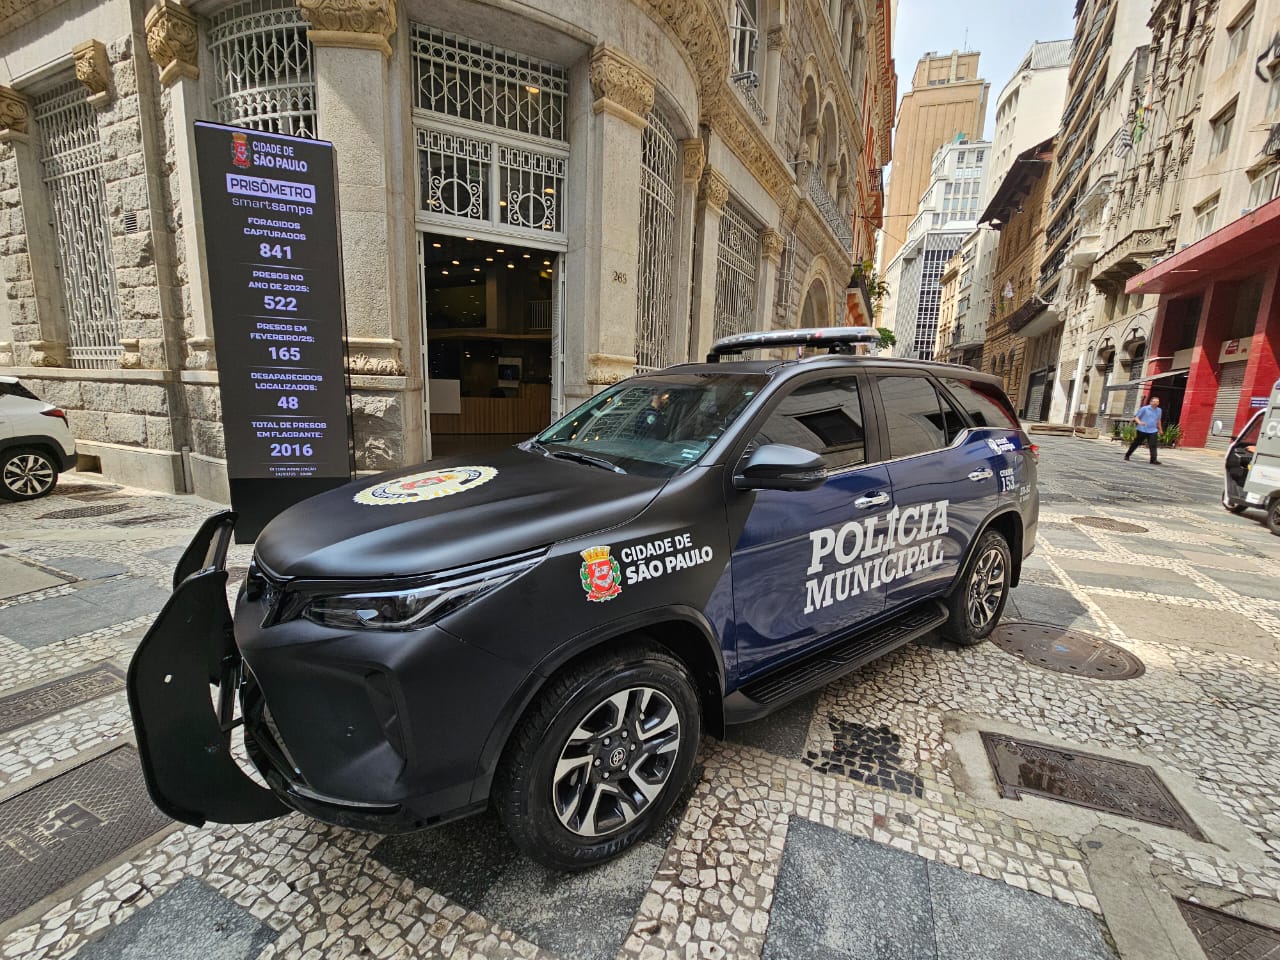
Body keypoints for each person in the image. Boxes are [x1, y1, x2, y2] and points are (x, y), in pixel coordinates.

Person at [1124, 396, 1163, 464]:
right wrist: (1140, 422)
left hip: (1153, 430)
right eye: (1154, 401)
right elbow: (1136, 417)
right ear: (1150, 402)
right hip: (1142, 429)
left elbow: (1158, 420)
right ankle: (1127, 455)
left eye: (1157, 402)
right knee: (1136, 443)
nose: (1155, 403)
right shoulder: (1144, 409)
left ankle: (1153, 460)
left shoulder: (1159, 410)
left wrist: (1160, 429)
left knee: (1153, 445)